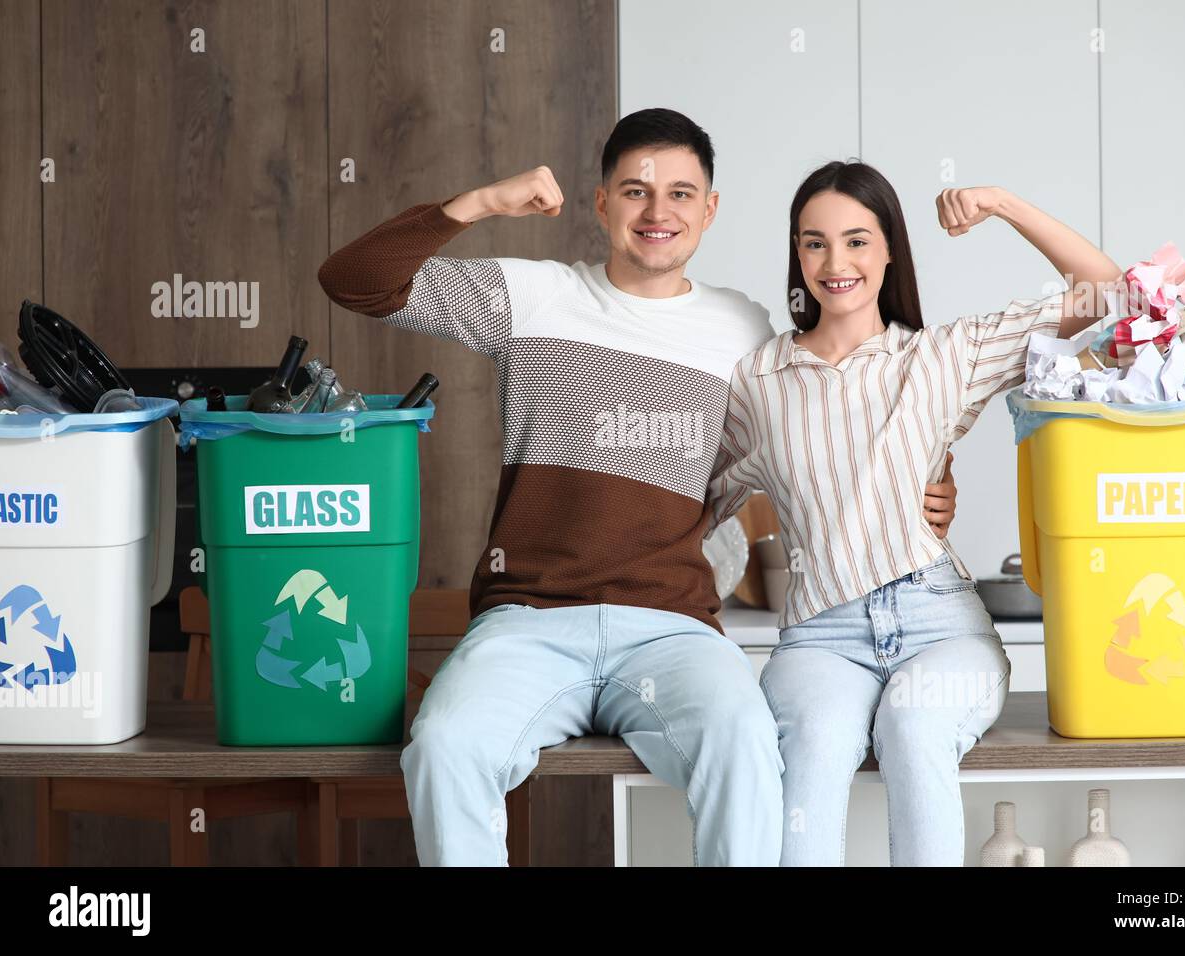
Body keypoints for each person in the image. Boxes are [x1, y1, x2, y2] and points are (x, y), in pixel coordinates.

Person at [317, 109, 960, 866]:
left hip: (671, 628)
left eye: (682, 193)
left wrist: (930, 483)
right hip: (527, 624)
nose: (659, 213)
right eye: (636, 191)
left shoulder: (743, 331)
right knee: (444, 748)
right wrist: (484, 202)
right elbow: (353, 281)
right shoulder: (530, 299)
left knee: (746, 745)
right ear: (600, 203)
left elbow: (832, 418)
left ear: (709, 209)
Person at [706, 160, 1121, 866]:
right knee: (810, 746)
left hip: (939, 624)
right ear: (796, 253)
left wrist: (1003, 202)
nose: (835, 262)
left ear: (891, 247)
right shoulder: (756, 381)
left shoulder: (941, 357)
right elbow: (687, 508)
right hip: (820, 636)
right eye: (814, 242)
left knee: (914, 724)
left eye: (858, 240)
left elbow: (1109, 292)